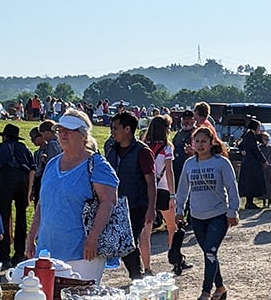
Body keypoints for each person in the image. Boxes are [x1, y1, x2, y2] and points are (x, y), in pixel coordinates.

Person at [26, 110, 118, 283]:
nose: (63, 134)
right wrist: (31, 238)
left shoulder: (97, 165)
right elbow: (42, 203)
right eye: (60, 130)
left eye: (69, 130)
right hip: (47, 252)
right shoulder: (53, 164)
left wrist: (92, 239)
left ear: (83, 135)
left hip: (83, 253)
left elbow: (109, 202)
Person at [176, 125, 239, 300]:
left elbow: (232, 187)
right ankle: (220, 286)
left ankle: (206, 291)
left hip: (218, 215)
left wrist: (233, 211)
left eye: (204, 141)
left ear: (212, 142)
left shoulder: (221, 163)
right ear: (192, 143)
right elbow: (182, 190)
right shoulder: (189, 164)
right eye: (197, 141)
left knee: (210, 251)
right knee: (209, 253)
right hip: (197, 216)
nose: (200, 145)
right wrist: (179, 210)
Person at [106, 111, 156, 280]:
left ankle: (136, 275)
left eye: (115, 128)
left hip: (136, 205)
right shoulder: (111, 151)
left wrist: (151, 208)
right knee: (123, 241)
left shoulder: (143, 151)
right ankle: (136, 274)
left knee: (127, 240)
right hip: (115, 204)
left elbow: (151, 182)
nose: (112, 131)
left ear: (127, 129)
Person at [0, 123, 35, 267]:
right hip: (22, 179)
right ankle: (19, 253)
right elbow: (32, 169)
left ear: (4, 137)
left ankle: (4, 254)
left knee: (3, 216)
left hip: (5, 179)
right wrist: (29, 191)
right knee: (21, 217)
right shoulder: (24, 148)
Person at [142, 115, 178, 272]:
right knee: (172, 226)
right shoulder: (167, 148)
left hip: (146, 190)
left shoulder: (143, 147)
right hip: (163, 189)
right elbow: (169, 171)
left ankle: (147, 267)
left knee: (145, 232)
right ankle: (173, 258)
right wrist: (173, 194)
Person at [237, 118, 266, 209]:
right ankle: (249, 202)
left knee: (249, 182)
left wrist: (242, 150)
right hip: (251, 162)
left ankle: (250, 201)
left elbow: (240, 144)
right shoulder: (251, 136)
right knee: (251, 182)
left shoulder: (247, 135)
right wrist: (263, 160)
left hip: (247, 161)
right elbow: (255, 150)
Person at [171, 110, 195, 188]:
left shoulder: (196, 133)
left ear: (193, 120)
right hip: (176, 166)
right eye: (184, 119)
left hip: (189, 167)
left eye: (189, 119)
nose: (186, 121)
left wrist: (192, 151)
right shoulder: (178, 134)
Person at [258, 131, 271, 207]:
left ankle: (269, 200)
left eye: (268, 139)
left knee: (269, 184)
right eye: (265, 139)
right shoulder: (259, 148)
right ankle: (263, 201)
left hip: (269, 169)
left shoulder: (270, 148)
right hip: (261, 168)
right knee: (263, 184)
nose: (266, 141)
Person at [29, 126, 46, 203]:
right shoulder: (36, 153)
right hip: (37, 181)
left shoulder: (48, 149)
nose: (32, 141)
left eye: (33, 138)